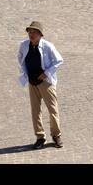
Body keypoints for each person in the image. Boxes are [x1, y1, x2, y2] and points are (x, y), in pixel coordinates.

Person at [17, 21, 64, 149]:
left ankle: (56, 135)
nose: (31, 34)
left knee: (52, 110)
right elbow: (20, 58)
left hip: (46, 83)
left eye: (34, 32)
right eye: (29, 31)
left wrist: (47, 73)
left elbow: (59, 60)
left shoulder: (48, 46)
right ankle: (40, 137)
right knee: (35, 110)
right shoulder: (24, 45)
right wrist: (25, 72)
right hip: (32, 82)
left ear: (40, 34)